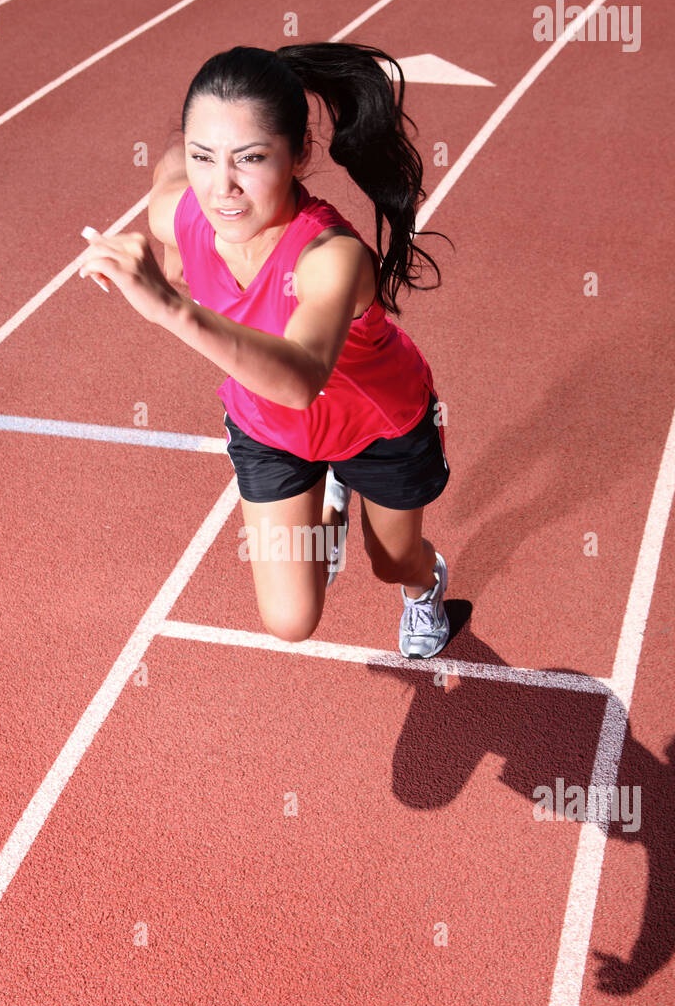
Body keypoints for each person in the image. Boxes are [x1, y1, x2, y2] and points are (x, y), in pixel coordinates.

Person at [79, 42, 452, 657]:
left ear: (299, 154)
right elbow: (170, 176)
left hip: (373, 424)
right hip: (269, 424)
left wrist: (170, 305)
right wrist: (169, 267)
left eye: (250, 159)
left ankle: (423, 586)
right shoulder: (180, 209)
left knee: (393, 560)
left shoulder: (332, 258)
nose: (221, 187)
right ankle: (329, 503)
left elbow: (304, 377)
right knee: (290, 621)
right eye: (205, 156)